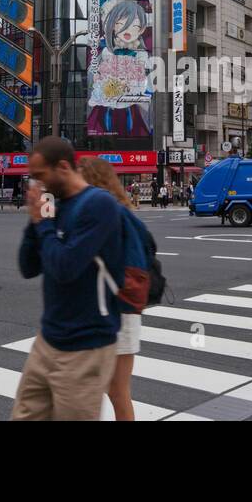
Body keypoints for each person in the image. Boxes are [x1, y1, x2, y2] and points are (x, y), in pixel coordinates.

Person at [13, 138, 126, 421]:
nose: (36, 184)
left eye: (40, 176)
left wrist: (44, 224)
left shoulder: (98, 205)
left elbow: (65, 267)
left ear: (63, 167)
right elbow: (28, 267)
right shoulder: (54, 206)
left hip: (86, 345)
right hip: (48, 339)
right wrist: (34, 221)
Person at [78, 156, 152, 422]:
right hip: (127, 307)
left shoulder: (103, 212)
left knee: (108, 391)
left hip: (114, 308)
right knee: (117, 391)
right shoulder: (123, 211)